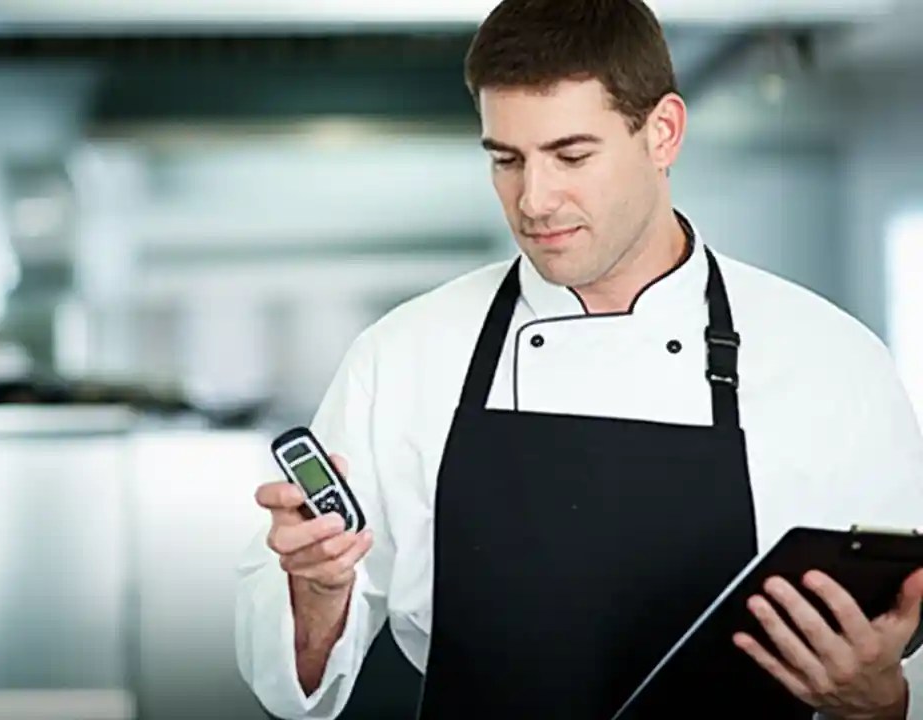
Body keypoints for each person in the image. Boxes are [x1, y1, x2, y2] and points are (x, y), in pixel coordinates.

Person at [233, 0, 923, 718]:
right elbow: (296, 690)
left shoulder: (833, 364)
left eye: (571, 156)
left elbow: (906, 647)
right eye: (506, 160)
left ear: (663, 133)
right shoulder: (403, 356)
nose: (534, 200)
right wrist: (314, 591)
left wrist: (881, 704)